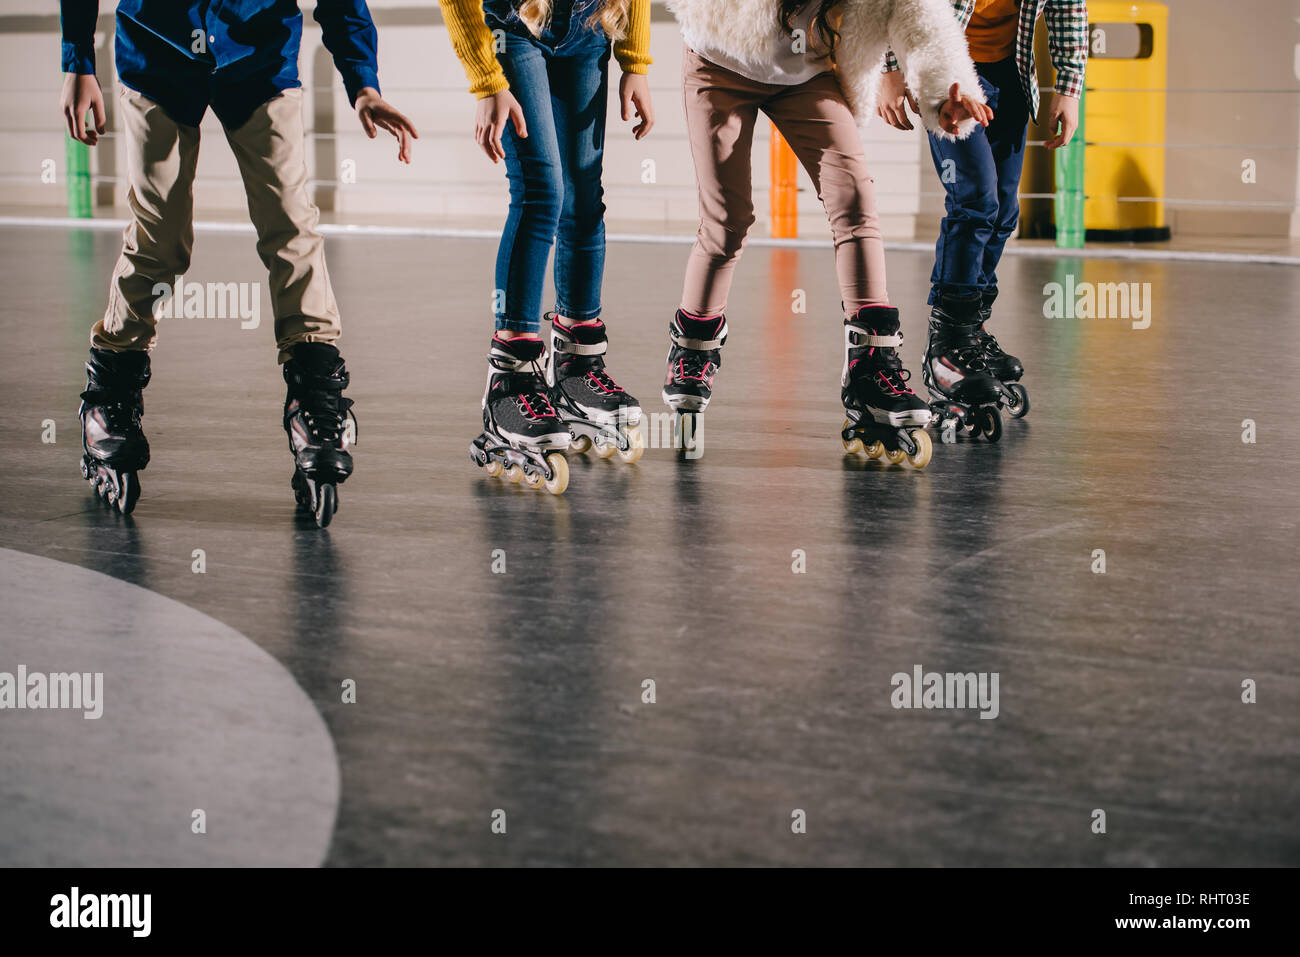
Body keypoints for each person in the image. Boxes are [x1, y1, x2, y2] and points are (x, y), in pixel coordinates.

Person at [59, 0, 418, 526]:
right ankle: (108, 396)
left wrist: (363, 82)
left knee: (291, 227)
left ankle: (315, 399)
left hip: (259, 54)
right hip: (156, 48)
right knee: (159, 238)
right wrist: (78, 60)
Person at [664, 0, 990, 467]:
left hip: (806, 74)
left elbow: (919, 12)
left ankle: (871, 365)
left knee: (855, 203)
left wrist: (943, 91)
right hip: (721, 61)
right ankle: (693, 349)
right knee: (727, 223)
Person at [439, 0, 655, 495]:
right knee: (542, 192)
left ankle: (577, 362)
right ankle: (509, 382)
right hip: (511, 29)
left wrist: (635, 62)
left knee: (583, 195)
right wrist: (485, 79)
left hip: (590, 25)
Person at [879, 0, 1088, 437]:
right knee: (974, 201)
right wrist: (890, 69)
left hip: (1009, 75)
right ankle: (947, 345)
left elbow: (1069, 6)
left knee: (1004, 211)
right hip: (945, 73)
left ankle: (971, 331)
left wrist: (1068, 88)